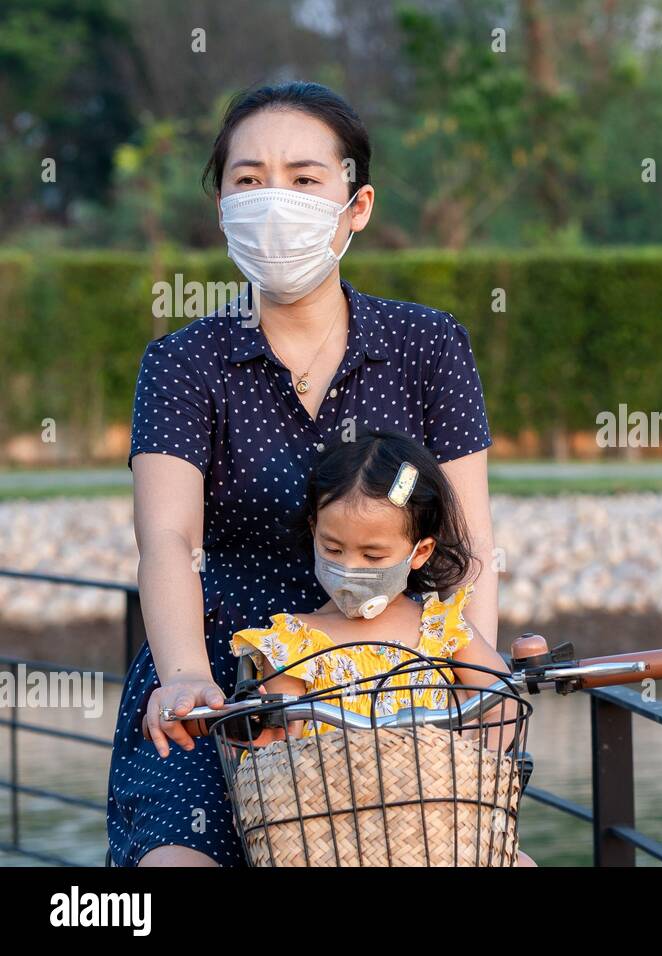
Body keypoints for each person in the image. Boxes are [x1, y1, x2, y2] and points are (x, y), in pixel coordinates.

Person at [107, 80, 499, 867]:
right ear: (221, 206)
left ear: (356, 206)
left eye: (304, 177)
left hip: (387, 684)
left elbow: (469, 538)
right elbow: (169, 535)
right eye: (248, 180)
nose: (273, 198)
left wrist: (473, 664)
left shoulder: (429, 346)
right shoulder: (184, 362)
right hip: (225, 684)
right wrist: (184, 672)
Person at [226, 429, 536, 866]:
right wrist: (261, 723)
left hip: (440, 826)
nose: (349, 568)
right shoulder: (294, 640)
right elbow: (278, 748)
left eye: (373, 557)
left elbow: (500, 701)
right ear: (314, 529)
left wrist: (467, 769)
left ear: (420, 552)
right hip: (328, 834)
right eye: (333, 548)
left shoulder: (440, 626)